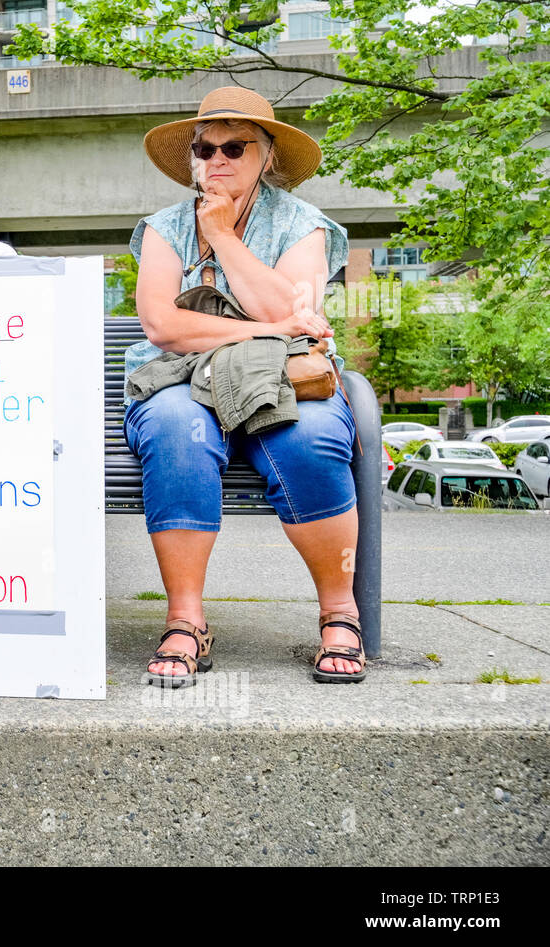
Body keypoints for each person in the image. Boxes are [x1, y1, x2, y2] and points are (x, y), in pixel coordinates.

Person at [123, 87, 365, 686]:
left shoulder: (302, 225)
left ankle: (340, 612)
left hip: (284, 380)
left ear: (268, 156)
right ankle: (185, 620)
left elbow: (296, 308)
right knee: (176, 426)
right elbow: (162, 326)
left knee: (307, 436)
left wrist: (226, 238)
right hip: (181, 380)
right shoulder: (163, 228)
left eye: (236, 146)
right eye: (205, 148)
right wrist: (271, 327)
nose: (218, 159)